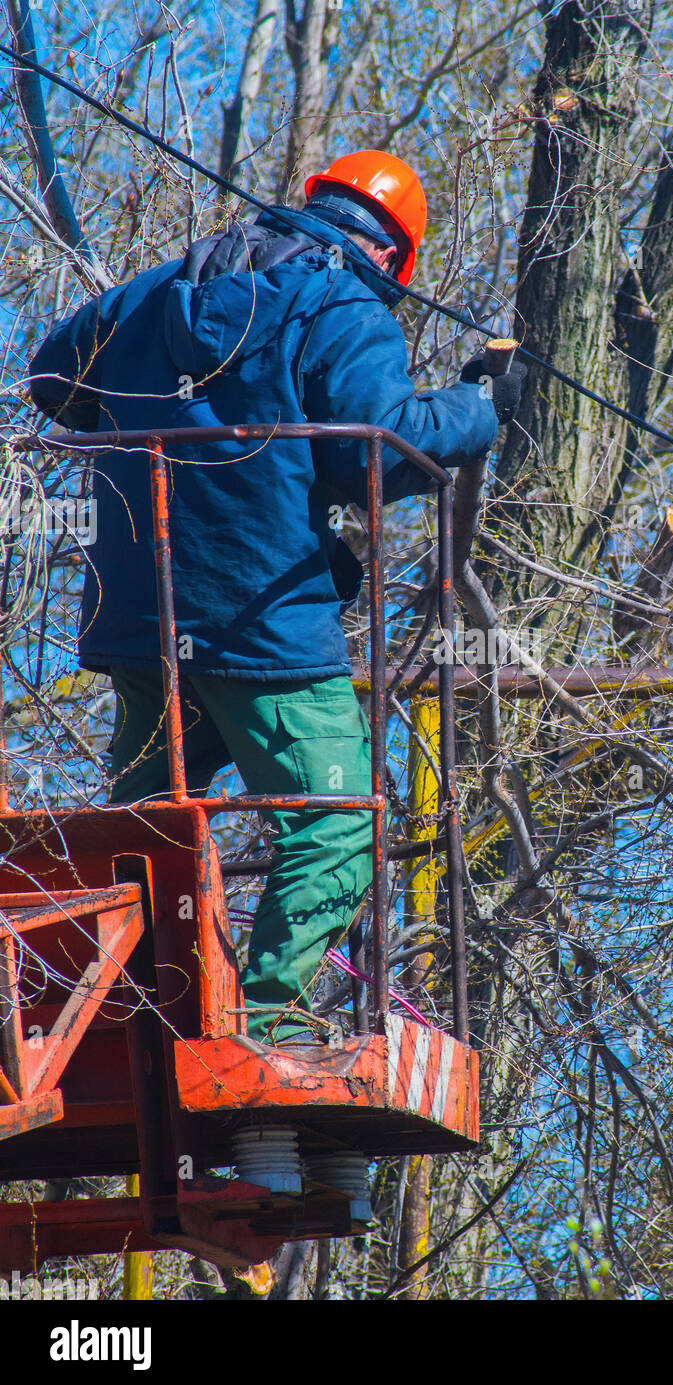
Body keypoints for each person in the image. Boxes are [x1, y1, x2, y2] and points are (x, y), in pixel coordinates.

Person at [28, 149, 526, 1045]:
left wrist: (157, 412)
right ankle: (265, 1021)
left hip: (140, 617)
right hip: (259, 620)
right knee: (336, 822)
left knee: (141, 823)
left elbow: (52, 378)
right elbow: (372, 449)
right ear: (395, 257)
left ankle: (117, 1010)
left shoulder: (163, 285)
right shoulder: (345, 305)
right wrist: (477, 402)